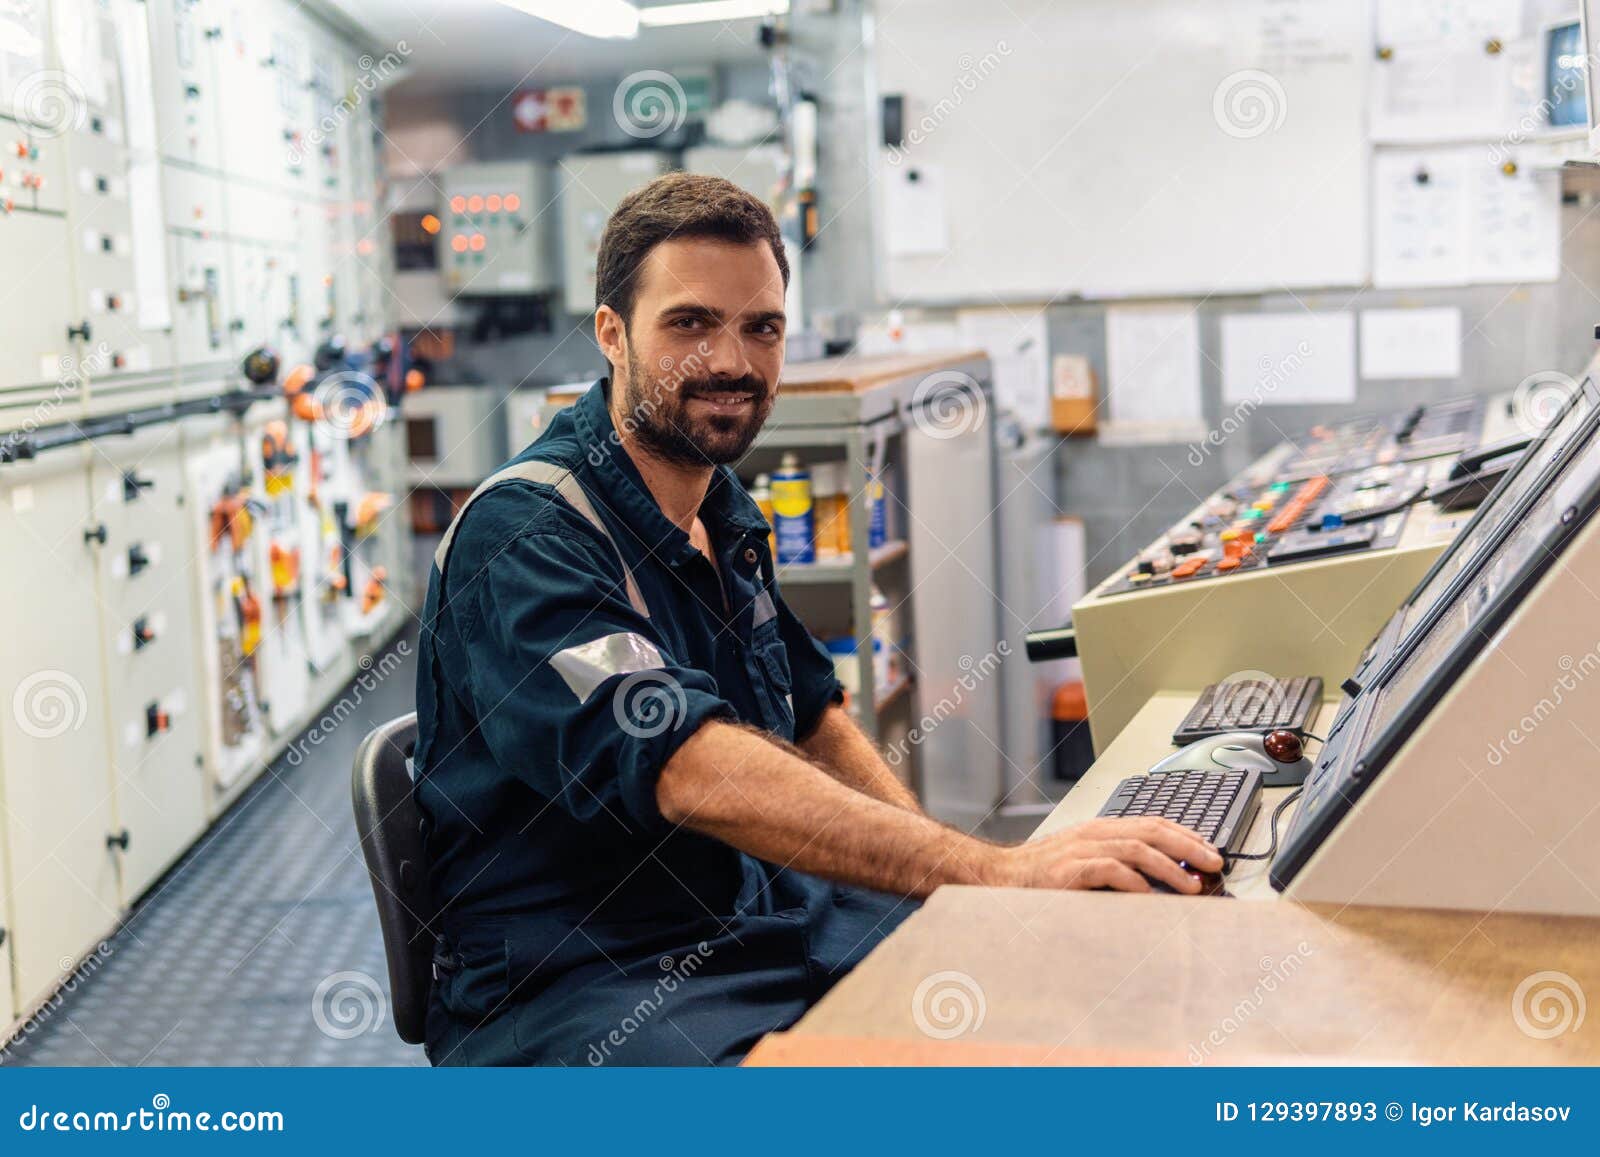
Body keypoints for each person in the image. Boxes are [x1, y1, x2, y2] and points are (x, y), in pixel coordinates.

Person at [412, 173, 1221, 1066]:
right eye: (689, 323)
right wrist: (986, 867)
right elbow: (683, 766)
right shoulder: (526, 534)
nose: (730, 361)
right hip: (585, 978)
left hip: (753, 921)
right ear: (612, 333)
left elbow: (811, 711)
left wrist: (956, 890)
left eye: (761, 327)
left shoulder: (718, 508)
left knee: (1051, 988)